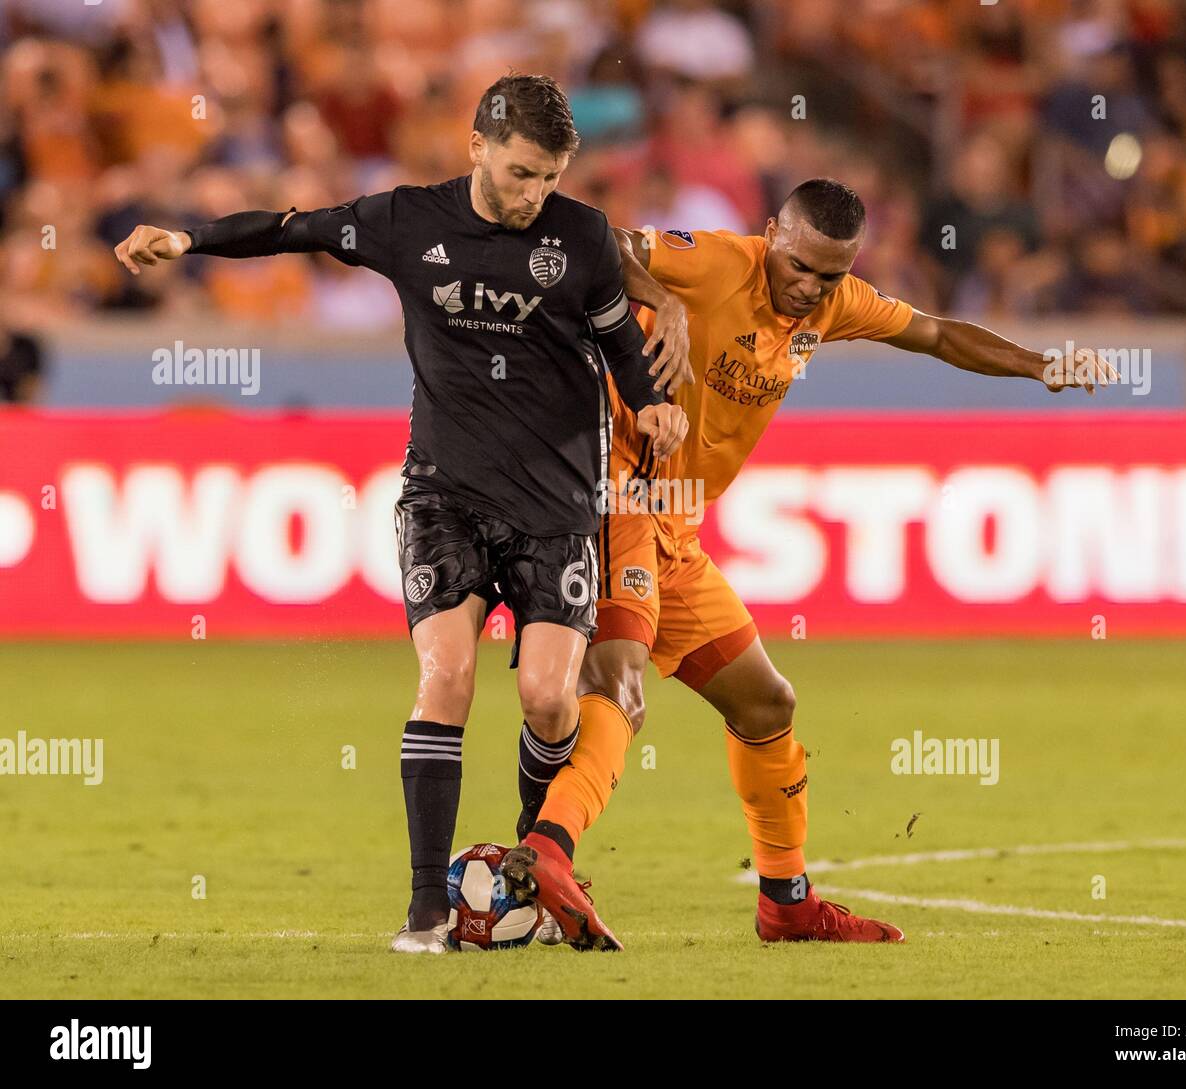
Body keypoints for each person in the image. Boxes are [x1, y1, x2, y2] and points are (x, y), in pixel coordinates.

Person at [114, 74, 689, 955]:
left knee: (547, 694)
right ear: (477, 146)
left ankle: (538, 873)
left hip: (557, 502)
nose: (536, 193)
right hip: (444, 496)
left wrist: (651, 402)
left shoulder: (583, 237)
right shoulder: (406, 220)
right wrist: (186, 236)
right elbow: (289, 228)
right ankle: (427, 907)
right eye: (523, 171)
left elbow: (620, 341)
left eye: (551, 176)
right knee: (446, 676)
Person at [509, 178, 1114, 944]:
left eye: (830, 275)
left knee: (767, 705)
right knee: (618, 682)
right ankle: (548, 849)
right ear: (772, 235)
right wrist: (659, 299)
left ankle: (786, 902)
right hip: (616, 490)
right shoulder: (718, 261)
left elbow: (934, 332)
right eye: (798, 266)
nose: (809, 288)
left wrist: (1038, 365)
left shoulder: (833, 304)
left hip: (676, 529)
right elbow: (605, 239)